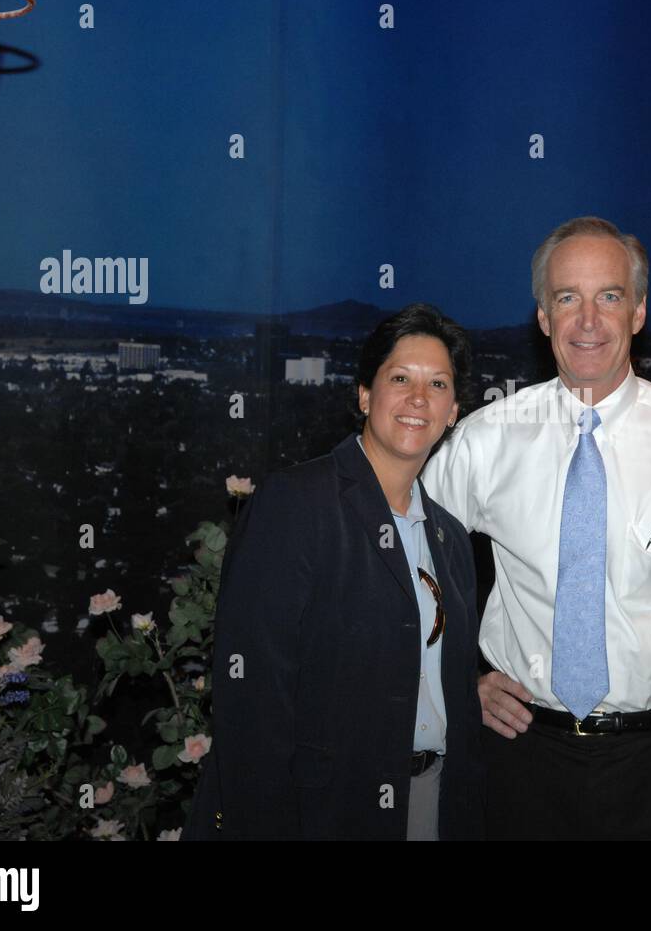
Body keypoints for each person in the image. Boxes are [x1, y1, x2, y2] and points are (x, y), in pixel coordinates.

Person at [420, 217, 651, 840]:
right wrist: (457, 684)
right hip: (521, 760)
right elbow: (406, 566)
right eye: (568, 299)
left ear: (639, 311)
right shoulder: (486, 439)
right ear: (543, 316)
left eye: (609, 297)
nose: (588, 321)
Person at [184, 303, 484, 840]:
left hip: (429, 805)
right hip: (318, 811)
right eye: (400, 378)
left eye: (438, 384)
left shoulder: (452, 540)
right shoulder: (296, 505)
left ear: (455, 409)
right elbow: (253, 701)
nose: (419, 398)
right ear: (365, 395)